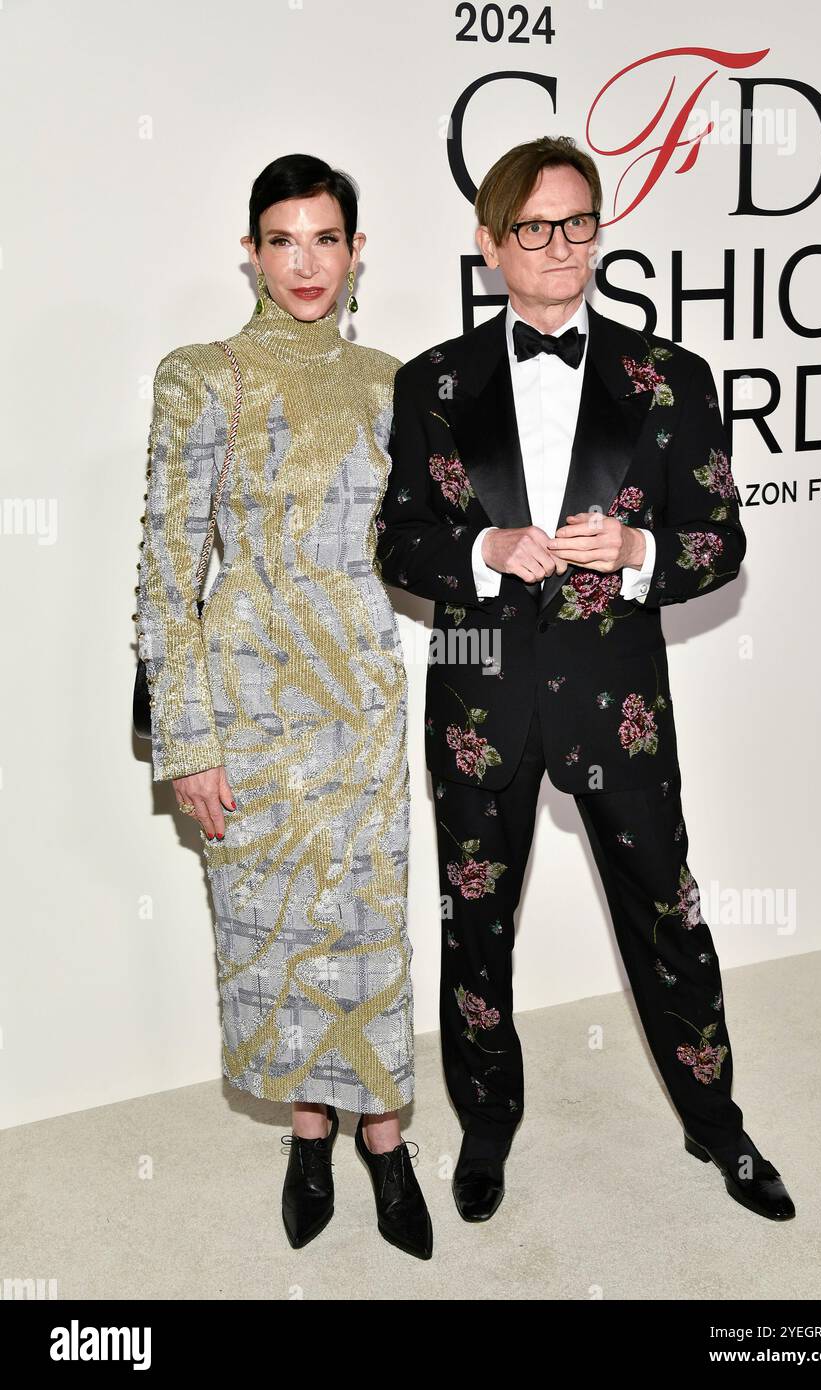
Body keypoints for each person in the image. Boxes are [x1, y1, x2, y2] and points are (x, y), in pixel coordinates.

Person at [376, 135, 795, 1226]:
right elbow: (398, 541)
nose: (561, 245)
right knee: (476, 930)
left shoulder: (671, 377)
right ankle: (486, 1127)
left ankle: (718, 1124)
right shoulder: (431, 383)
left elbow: (722, 541)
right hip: (478, 694)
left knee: (669, 915)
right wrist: (483, 551)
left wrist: (641, 553)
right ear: (490, 243)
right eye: (534, 226)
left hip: (621, 702)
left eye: (578, 222)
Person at [135, 152, 432, 1259]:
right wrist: (187, 740)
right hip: (250, 703)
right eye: (282, 240)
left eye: (325, 239)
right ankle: (310, 1135)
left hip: (360, 689)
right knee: (280, 931)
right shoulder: (199, 376)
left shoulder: (393, 381)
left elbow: (428, 535)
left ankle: (385, 1137)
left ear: (357, 252)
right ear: (251, 253)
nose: (305, 263)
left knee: (368, 923)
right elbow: (168, 571)